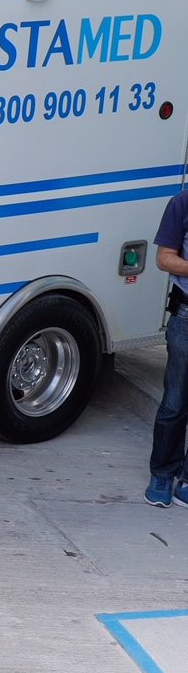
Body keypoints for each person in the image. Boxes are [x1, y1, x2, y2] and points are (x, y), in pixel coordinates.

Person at [147, 186, 188, 507]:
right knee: (175, 401)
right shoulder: (182, 202)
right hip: (186, 316)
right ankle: (162, 472)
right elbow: (164, 258)